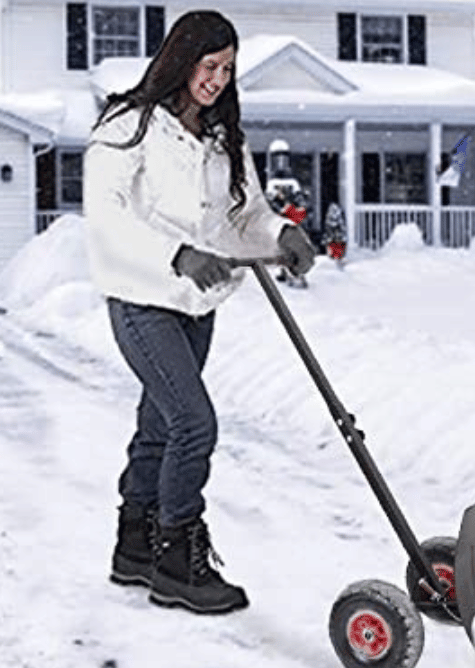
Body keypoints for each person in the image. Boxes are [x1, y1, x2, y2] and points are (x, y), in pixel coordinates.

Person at [84, 10, 317, 615]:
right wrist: (179, 254)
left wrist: (282, 233)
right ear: (181, 59)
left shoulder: (223, 138)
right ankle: (175, 557)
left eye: (228, 69)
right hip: (142, 298)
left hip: (196, 303)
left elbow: (246, 216)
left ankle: (133, 545)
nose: (217, 79)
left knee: (161, 425)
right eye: (210, 66)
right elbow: (107, 221)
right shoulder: (127, 126)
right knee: (195, 423)